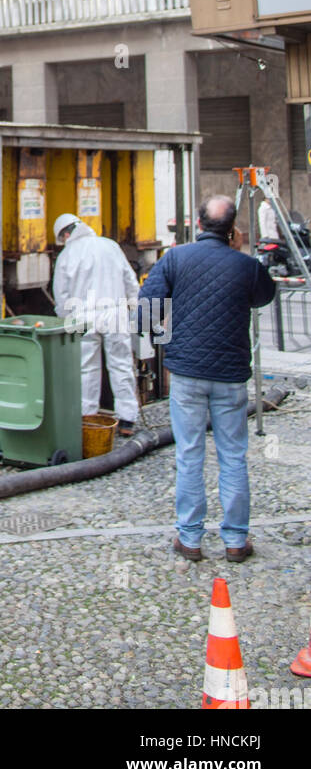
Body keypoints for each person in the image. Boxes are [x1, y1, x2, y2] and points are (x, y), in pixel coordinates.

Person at [139, 194, 276, 563]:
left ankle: (191, 539)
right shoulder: (245, 266)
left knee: (189, 454)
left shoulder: (176, 259)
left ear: (198, 224)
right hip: (230, 375)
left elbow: (146, 311)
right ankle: (235, 541)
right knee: (233, 456)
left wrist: (166, 342)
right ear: (232, 230)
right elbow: (265, 296)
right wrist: (241, 251)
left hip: (186, 373)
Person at [52, 211, 140, 436]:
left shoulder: (66, 256)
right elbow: (129, 280)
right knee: (121, 365)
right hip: (114, 312)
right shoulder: (109, 245)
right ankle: (127, 420)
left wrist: (65, 321)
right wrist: (134, 307)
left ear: (65, 235)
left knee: (85, 368)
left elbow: (61, 296)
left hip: (81, 317)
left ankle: (87, 418)